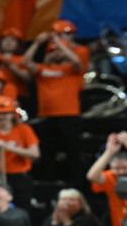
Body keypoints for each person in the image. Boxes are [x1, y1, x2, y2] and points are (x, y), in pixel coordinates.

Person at [22, 33, 83, 180]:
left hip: (70, 115)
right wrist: (37, 43)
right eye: (53, 50)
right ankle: (50, 183)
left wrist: (59, 42)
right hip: (47, 116)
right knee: (48, 154)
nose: (57, 53)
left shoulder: (71, 69)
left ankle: (76, 183)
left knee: (73, 153)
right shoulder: (42, 70)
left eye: (59, 50)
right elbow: (25, 62)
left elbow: (77, 61)